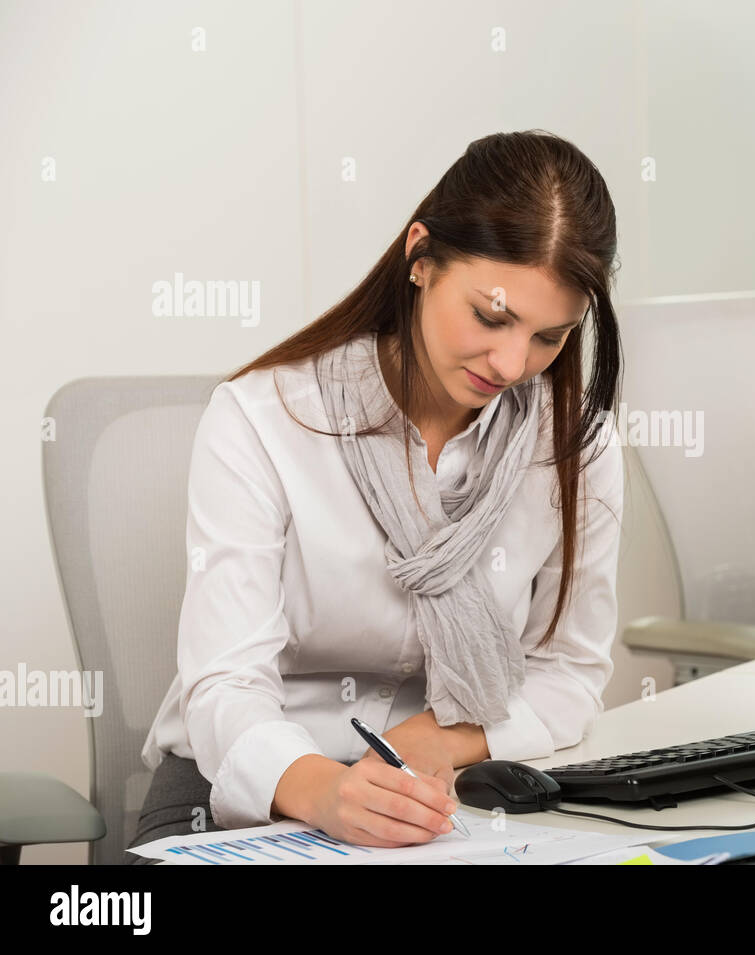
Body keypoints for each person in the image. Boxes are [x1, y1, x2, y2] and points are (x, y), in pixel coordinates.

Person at [124, 130, 624, 863]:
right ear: (420, 258)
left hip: (441, 796)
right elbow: (226, 684)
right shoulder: (264, 418)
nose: (514, 363)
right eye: (491, 318)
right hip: (243, 799)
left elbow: (571, 671)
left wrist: (441, 738)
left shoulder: (576, 446)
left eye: (550, 337)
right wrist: (324, 788)